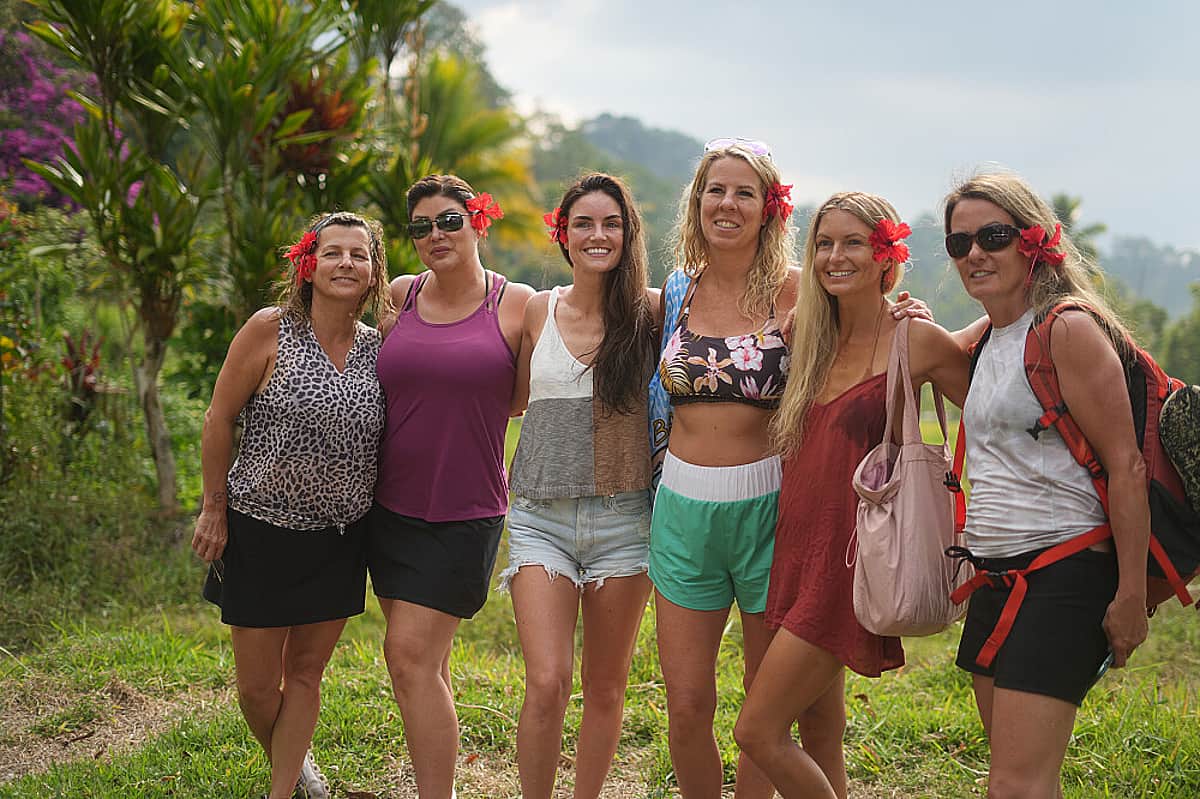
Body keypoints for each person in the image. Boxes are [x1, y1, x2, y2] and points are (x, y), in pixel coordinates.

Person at [733, 192, 968, 798]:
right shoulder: (803, 333)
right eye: (824, 244)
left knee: (757, 731)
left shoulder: (916, 340)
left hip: (851, 562)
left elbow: (994, 416)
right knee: (817, 726)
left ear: (886, 253)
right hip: (796, 548)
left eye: (853, 243)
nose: (835, 257)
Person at [939, 173, 1149, 799]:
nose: (975, 253)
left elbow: (1126, 466)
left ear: (1033, 241)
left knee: (1015, 784)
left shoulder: (1067, 329)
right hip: (994, 576)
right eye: (959, 244)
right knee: (1021, 781)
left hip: (1063, 574)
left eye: (993, 236)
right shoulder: (989, 339)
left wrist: (1131, 596)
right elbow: (902, 350)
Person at [191, 211, 392, 799]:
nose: (346, 264)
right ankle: (298, 767)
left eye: (359, 255)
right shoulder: (269, 330)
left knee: (306, 673)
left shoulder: (381, 349)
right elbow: (218, 418)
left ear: (375, 271)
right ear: (309, 264)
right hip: (260, 530)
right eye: (333, 253)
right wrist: (213, 506)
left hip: (339, 537)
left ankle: (285, 789)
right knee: (257, 688)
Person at [369, 174, 534, 799]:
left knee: (407, 657)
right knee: (424, 665)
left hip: (465, 512)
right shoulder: (400, 295)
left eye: (448, 221)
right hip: (388, 509)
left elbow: (518, 401)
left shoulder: (516, 303)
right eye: (420, 228)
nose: (434, 235)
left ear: (477, 221)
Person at [502, 173, 659, 798]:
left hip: (625, 518)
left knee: (605, 687)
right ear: (563, 233)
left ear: (628, 234)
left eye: (611, 224)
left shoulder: (651, 310)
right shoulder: (538, 308)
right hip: (541, 516)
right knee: (547, 682)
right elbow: (512, 400)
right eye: (584, 223)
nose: (598, 235)